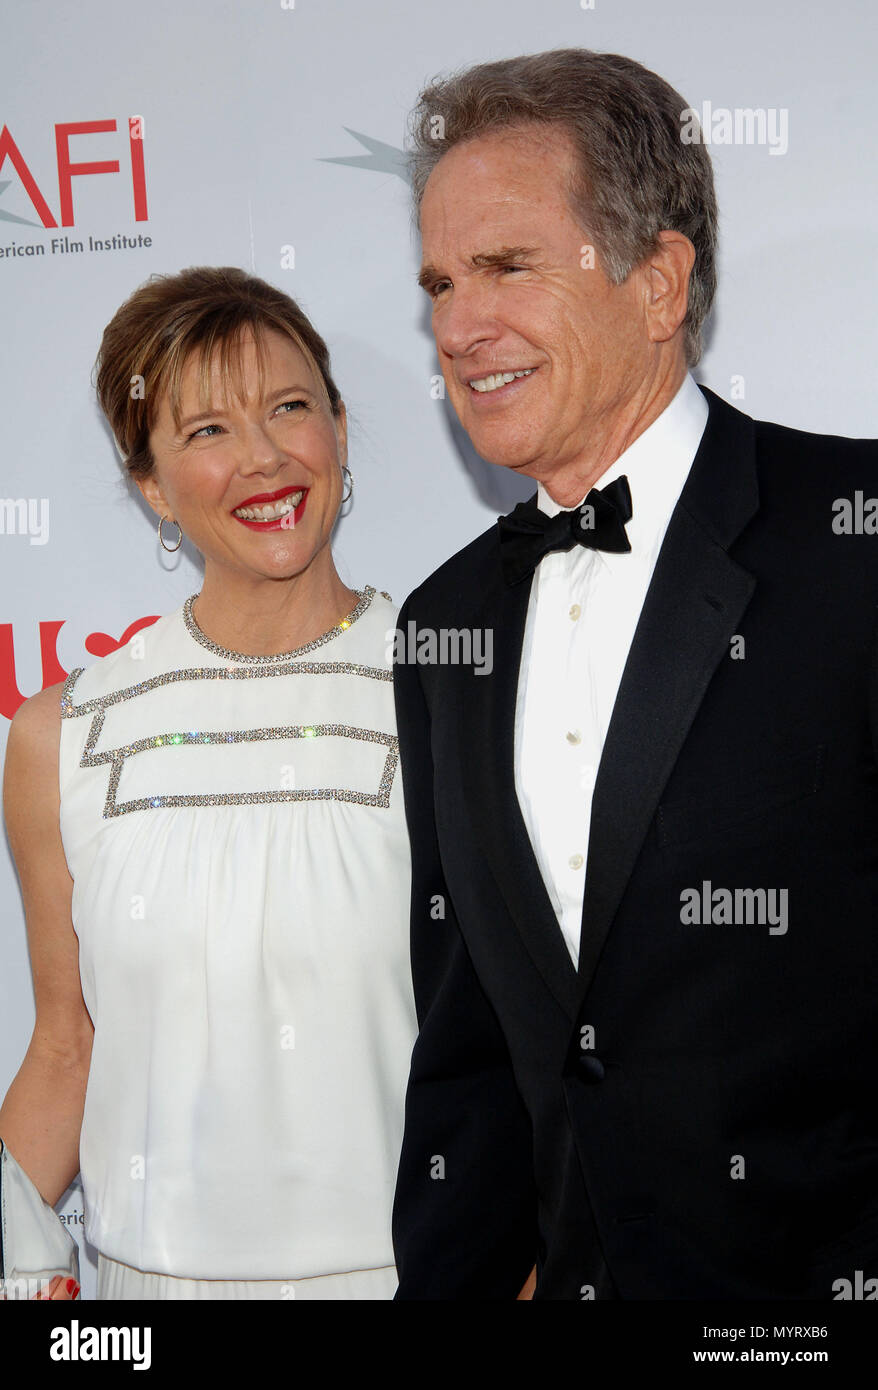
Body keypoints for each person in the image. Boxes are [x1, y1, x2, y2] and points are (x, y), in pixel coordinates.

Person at [390, 48, 878, 1299]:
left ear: (656, 283)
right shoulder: (445, 624)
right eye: (440, 281)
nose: (455, 326)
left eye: (505, 267)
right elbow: (469, 1044)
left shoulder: (851, 537)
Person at [0, 265, 416, 1300]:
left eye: (288, 408)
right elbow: (67, 1047)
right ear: (150, 486)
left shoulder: (453, 692)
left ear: (340, 429)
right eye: (206, 432)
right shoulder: (63, 734)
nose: (264, 458)